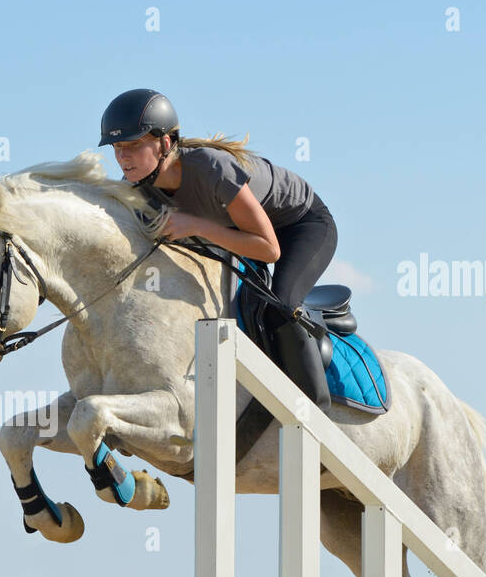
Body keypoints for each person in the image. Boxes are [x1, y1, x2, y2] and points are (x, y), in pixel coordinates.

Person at [99, 88, 336, 411]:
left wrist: (196, 226)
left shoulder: (213, 170)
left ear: (166, 143)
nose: (123, 157)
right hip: (238, 232)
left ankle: (315, 410)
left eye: (134, 145)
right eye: (117, 147)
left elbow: (269, 249)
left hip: (298, 226)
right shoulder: (141, 190)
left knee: (278, 304)